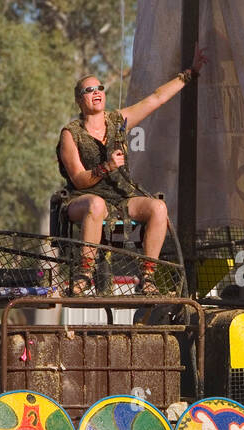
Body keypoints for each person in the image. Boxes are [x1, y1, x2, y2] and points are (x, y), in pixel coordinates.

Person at [55, 47, 207, 294]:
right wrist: (106, 167)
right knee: (96, 205)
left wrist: (190, 73)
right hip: (82, 200)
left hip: (121, 197)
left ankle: (147, 277)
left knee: (157, 207)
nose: (96, 93)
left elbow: (156, 98)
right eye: (89, 90)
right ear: (79, 100)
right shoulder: (71, 134)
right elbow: (80, 180)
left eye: (100, 88)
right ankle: (84, 275)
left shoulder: (118, 121)